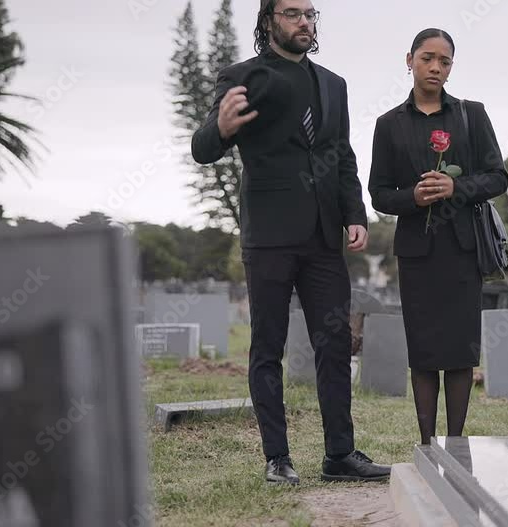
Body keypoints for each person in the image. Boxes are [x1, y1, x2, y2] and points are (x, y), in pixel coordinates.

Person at [191, 0, 390, 485]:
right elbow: (202, 148)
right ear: (268, 21)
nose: (304, 21)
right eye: (293, 13)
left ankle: (339, 455)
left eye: (310, 14)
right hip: (270, 236)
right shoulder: (242, 77)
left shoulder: (333, 84)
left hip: (324, 236)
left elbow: (341, 153)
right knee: (268, 347)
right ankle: (277, 459)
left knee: (335, 344)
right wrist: (221, 129)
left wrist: (354, 213)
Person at [367, 28, 508, 446]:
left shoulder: (471, 114)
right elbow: (379, 194)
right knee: (425, 351)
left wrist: (455, 188)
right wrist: (413, 197)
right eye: (427, 58)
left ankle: (456, 444)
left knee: (461, 351)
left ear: (451, 67)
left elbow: (498, 177)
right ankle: (428, 446)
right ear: (409, 60)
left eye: (444, 61)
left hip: (464, 250)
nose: (435, 67)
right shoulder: (388, 124)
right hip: (417, 253)